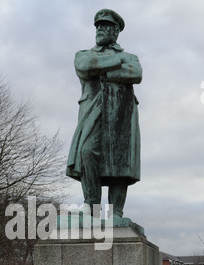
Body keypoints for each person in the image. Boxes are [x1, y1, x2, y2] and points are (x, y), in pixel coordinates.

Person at [66, 9, 142, 221]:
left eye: (105, 25)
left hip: (122, 114)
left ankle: (116, 213)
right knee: (87, 152)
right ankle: (91, 206)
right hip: (93, 111)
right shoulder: (84, 54)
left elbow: (135, 73)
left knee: (119, 161)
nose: (100, 29)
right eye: (98, 25)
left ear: (116, 30)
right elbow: (84, 66)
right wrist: (117, 64)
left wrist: (102, 69)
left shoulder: (131, 57)